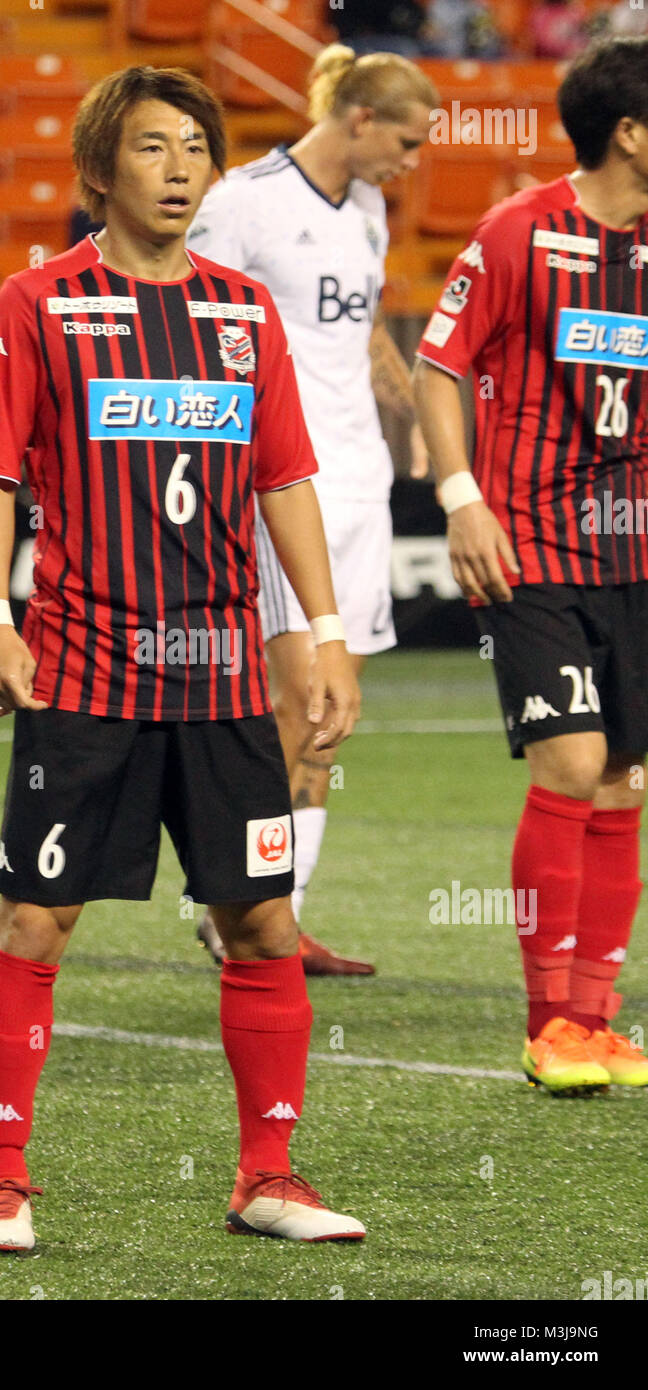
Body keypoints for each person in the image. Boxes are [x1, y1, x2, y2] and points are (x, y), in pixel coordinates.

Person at [0, 64, 366, 1252]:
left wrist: (324, 638)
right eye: (152, 146)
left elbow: (286, 478)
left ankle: (267, 1176)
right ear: (99, 168)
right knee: (36, 922)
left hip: (226, 677)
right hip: (83, 675)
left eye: (196, 145)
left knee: (262, 926)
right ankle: (2, 1183)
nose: (181, 166)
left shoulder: (244, 311)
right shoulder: (37, 303)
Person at [413, 36, 648, 1094]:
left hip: (634, 552)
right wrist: (460, 500)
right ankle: (546, 1020)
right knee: (567, 762)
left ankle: (596, 1021)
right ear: (629, 134)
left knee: (622, 778)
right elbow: (437, 364)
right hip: (533, 544)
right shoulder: (516, 230)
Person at [187, 46, 435, 976]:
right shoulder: (245, 202)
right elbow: (191, 322)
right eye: (406, 140)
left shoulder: (367, 212)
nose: (413, 161)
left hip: (361, 478)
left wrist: (412, 414)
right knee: (295, 701)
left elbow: (360, 323)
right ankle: (238, 908)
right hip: (282, 480)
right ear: (361, 117)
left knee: (336, 715)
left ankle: (282, 912)